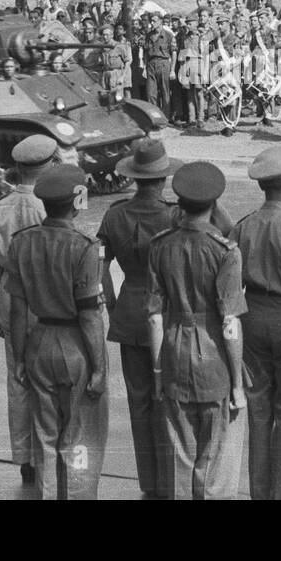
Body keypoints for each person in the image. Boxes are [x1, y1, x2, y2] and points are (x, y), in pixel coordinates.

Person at [8, 164, 109, 500]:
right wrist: (98, 368)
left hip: (38, 342)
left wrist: (20, 357)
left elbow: (18, 309)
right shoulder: (83, 246)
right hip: (74, 345)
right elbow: (90, 315)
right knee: (78, 439)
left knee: (46, 438)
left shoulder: (22, 242)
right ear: (74, 202)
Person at [147, 161, 246, 499]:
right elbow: (231, 322)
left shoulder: (160, 245)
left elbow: (155, 317)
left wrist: (158, 373)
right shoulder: (225, 252)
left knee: (180, 457)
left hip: (174, 354)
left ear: (180, 204)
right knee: (214, 462)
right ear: (215, 204)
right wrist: (237, 385)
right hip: (215, 359)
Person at [97, 138, 183, 498]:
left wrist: (113, 306)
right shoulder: (175, 214)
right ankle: (167, 486)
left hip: (130, 316)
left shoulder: (116, 214)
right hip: (168, 315)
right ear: (163, 180)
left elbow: (100, 268)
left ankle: (148, 487)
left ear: (133, 177)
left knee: (139, 404)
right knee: (169, 406)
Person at [230, 147, 281, 500]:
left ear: (263, 187)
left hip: (252, 318)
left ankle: (260, 493)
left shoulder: (243, 226)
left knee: (259, 413)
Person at [0, 135, 58, 487]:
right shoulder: (48, 206)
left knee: (18, 381)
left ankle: (25, 458)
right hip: (43, 301)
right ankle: (47, 455)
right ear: (47, 166)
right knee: (46, 382)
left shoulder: (1, 206)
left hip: (9, 298)